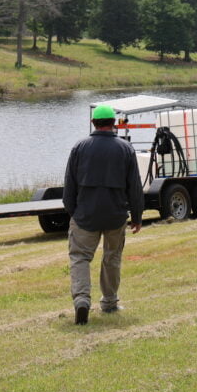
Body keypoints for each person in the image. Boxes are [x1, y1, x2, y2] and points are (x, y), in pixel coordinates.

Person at [63, 104, 144, 326]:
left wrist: (73, 212)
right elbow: (134, 186)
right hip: (115, 215)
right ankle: (109, 302)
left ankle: (82, 300)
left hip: (85, 215)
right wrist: (137, 216)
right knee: (112, 257)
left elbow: (69, 185)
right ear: (114, 123)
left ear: (93, 123)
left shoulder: (79, 147)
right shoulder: (125, 148)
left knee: (80, 257)